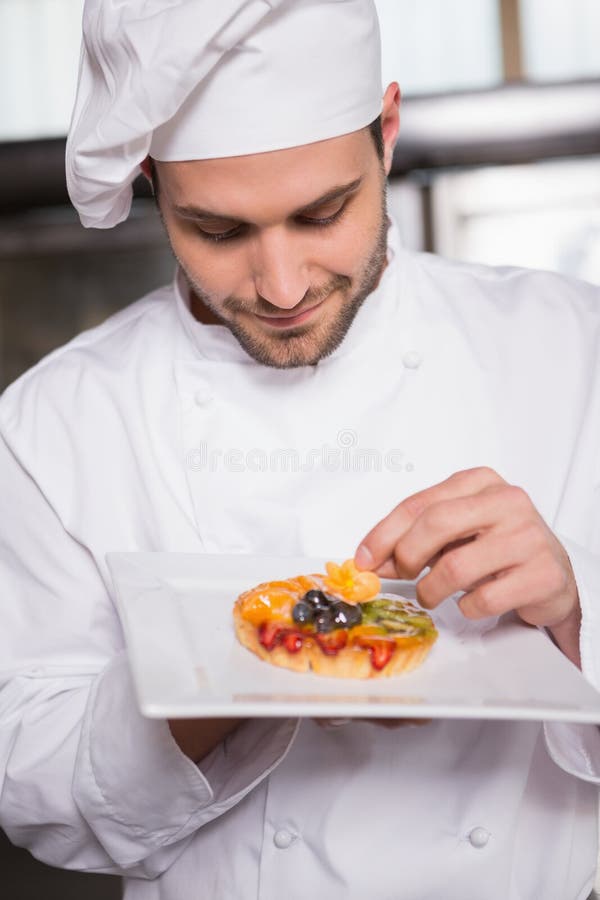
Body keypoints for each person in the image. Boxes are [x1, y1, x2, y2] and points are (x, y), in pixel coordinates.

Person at [1, 0, 599, 897]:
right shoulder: (58, 422)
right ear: (157, 182)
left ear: (387, 133)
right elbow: (30, 788)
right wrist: (237, 667)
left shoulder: (572, 346)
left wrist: (577, 610)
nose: (282, 287)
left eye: (323, 214)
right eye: (221, 231)